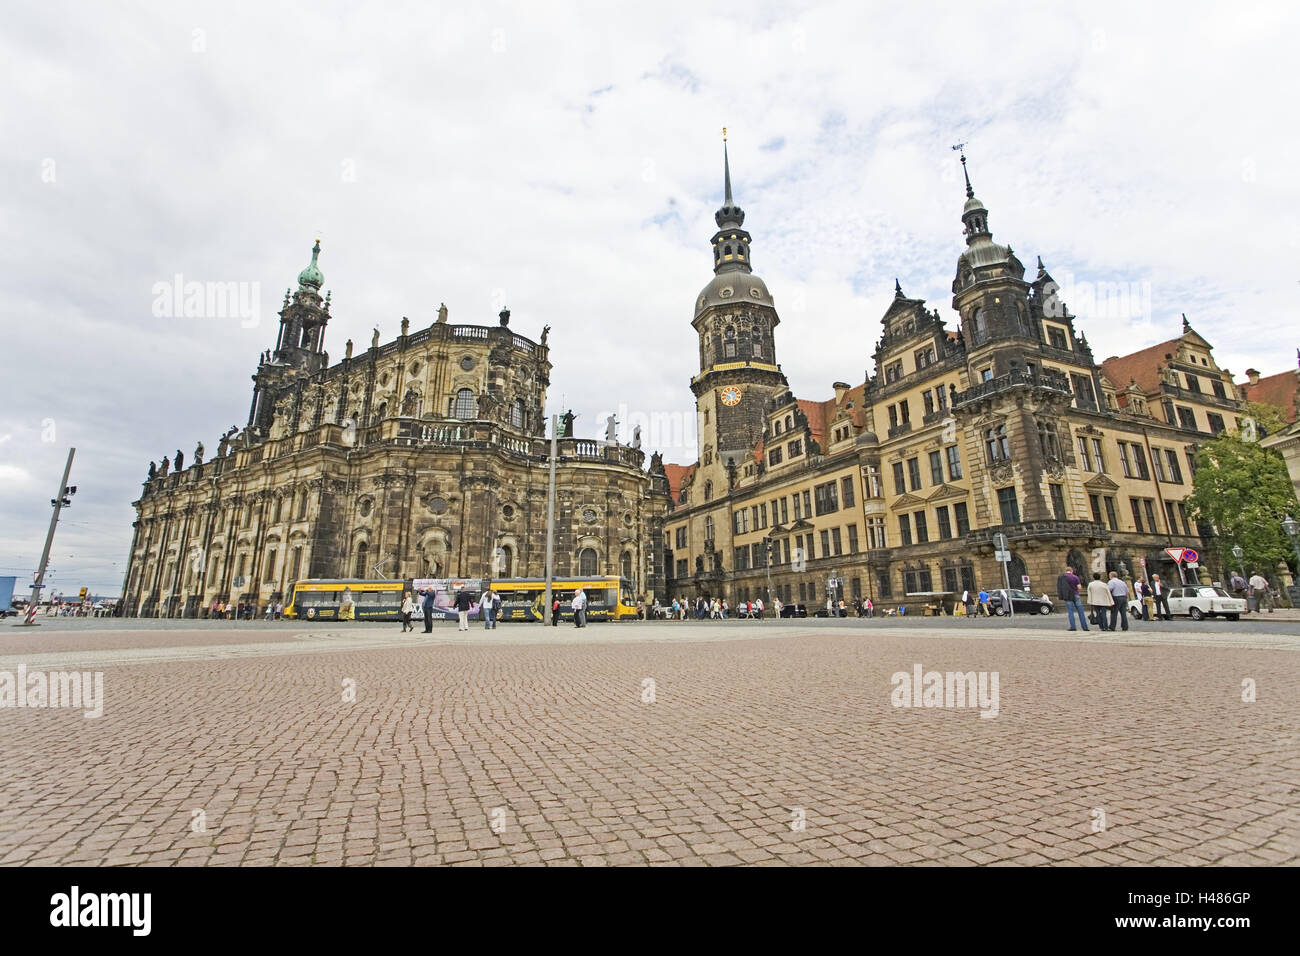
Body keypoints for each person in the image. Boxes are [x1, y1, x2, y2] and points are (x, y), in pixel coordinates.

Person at [1056, 566, 1088, 631]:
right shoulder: (1075, 577)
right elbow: (1079, 587)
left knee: (1070, 612)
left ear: (1065, 571)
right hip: (1076, 595)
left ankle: (1073, 627)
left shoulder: (1063, 577)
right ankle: (1085, 627)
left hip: (1068, 596)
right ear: (1072, 571)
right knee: (1081, 612)